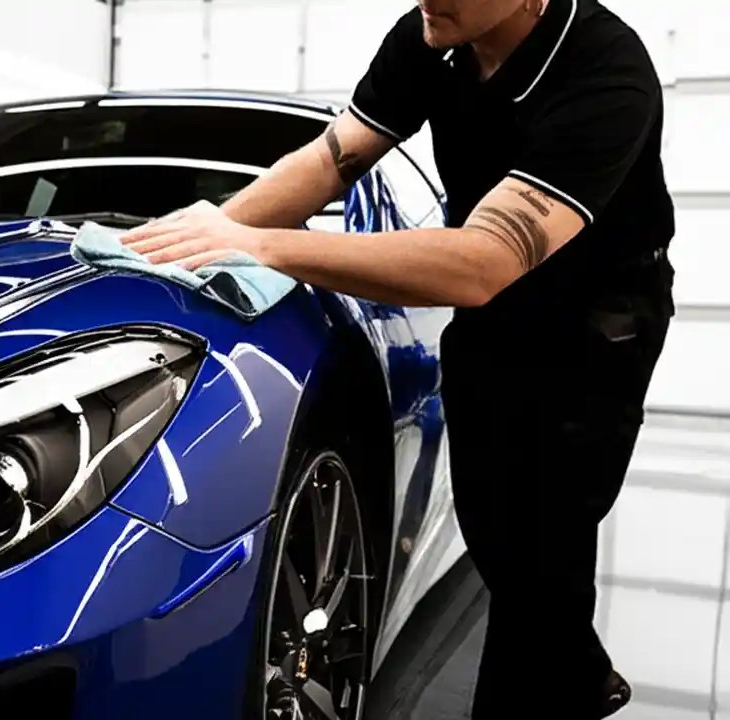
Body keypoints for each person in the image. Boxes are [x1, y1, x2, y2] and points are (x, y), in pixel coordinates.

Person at [121, 0, 674, 717]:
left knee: (543, 538)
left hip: (596, 322)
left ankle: (546, 691)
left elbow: (480, 261)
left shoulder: (608, 71)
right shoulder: (433, 32)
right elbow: (331, 159)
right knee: (494, 523)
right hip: (496, 308)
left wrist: (260, 246)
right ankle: (579, 670)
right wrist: (204, 231)